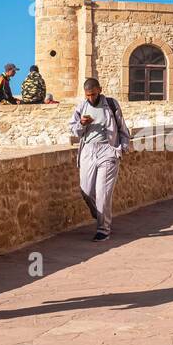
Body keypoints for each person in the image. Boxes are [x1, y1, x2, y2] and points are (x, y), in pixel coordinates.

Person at [69, 78, 132, 241]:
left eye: (93, 94)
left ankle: (103, 229)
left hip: (107, 150)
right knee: (86, 190)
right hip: (88, 150)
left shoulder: (111, 105)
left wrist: (122, 148)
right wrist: (82, 124)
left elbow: (122, 128)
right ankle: (100, 215)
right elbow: (73, 130)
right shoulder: (82, 107)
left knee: (103, 192)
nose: (91, 98)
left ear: (100, 90)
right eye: (88, 95)